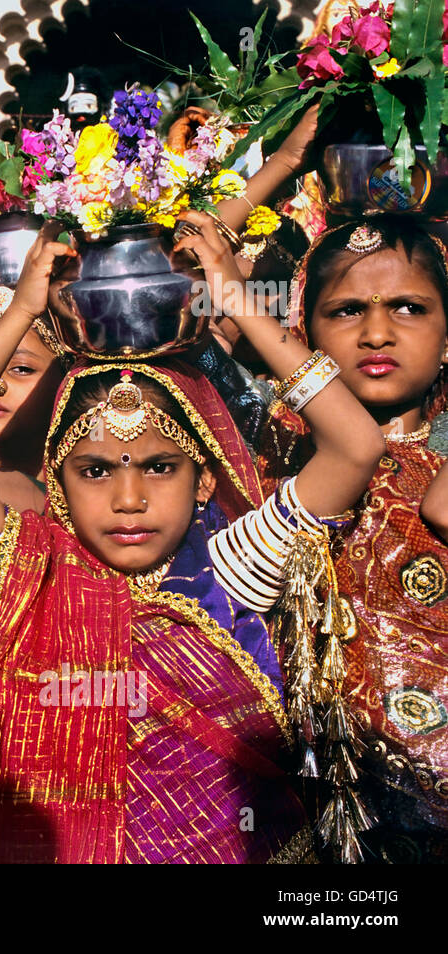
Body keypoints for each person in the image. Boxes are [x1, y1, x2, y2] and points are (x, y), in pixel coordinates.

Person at [0, 214, 386, 862]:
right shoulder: (32, 567)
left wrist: (238, 300)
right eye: (95, 470)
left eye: (160, 467)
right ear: (58, 479)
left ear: (205, 480)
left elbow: (356, 448)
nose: (129, 500)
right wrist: (20, 308)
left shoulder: (228, 566)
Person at [258, 215, 448, 861]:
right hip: (306, 802)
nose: (375, 332)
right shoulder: (267, 470)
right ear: (302, 336)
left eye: (408, 307)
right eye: (344, 311)